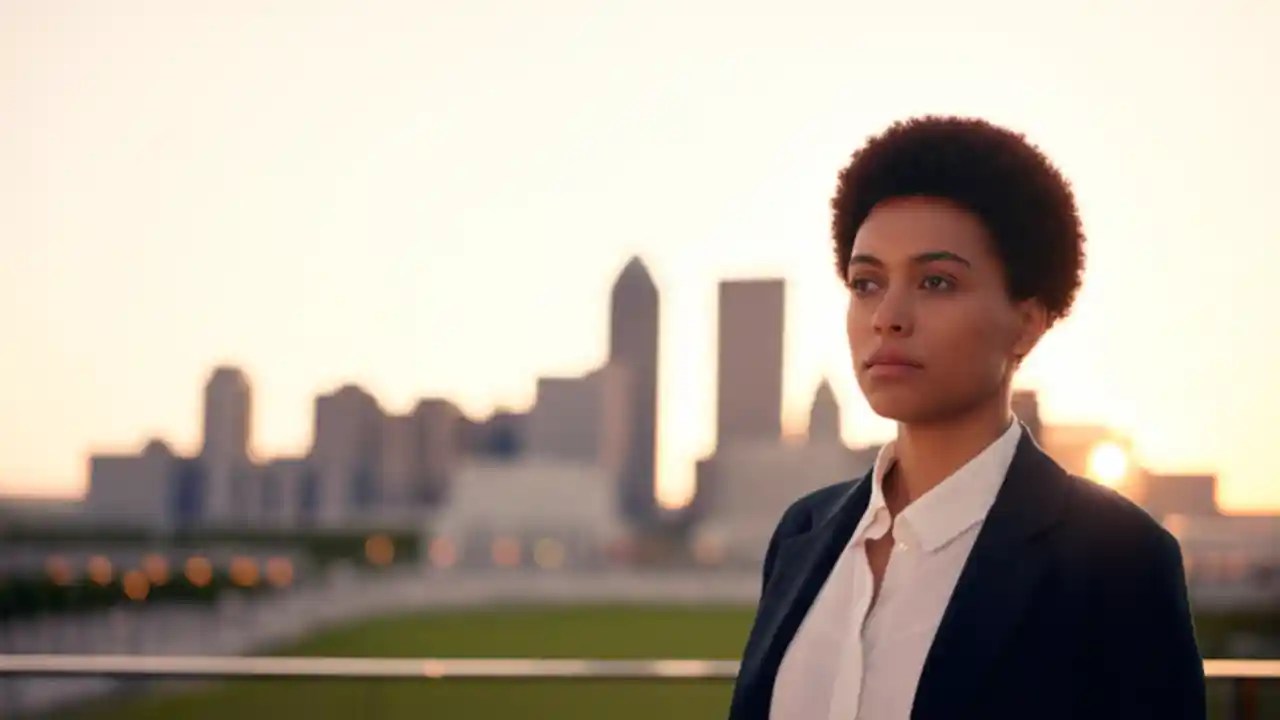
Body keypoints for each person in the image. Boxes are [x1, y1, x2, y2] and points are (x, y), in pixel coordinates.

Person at [727, 116, 1205, 720]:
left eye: (936, 282)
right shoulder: (804, 532)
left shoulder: (1117, 559)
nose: (888, 316)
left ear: (1027, 323)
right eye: (866, 282)